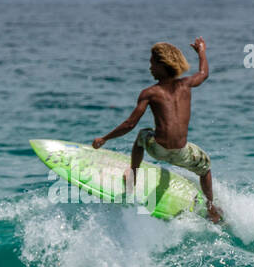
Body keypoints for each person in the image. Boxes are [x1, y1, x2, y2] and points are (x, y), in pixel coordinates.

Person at [92, 37, 221, 223]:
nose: (150, 67)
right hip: (182, 153)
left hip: (157, 149)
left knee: (142, 134)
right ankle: (211, 208)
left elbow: (130, 124)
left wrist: (104, 139)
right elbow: (204, 73)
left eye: (152, 63)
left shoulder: (149, 93)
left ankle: (133, 175)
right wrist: (202, 51)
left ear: (162, 64)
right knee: (205, 168)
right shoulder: (186, 84)